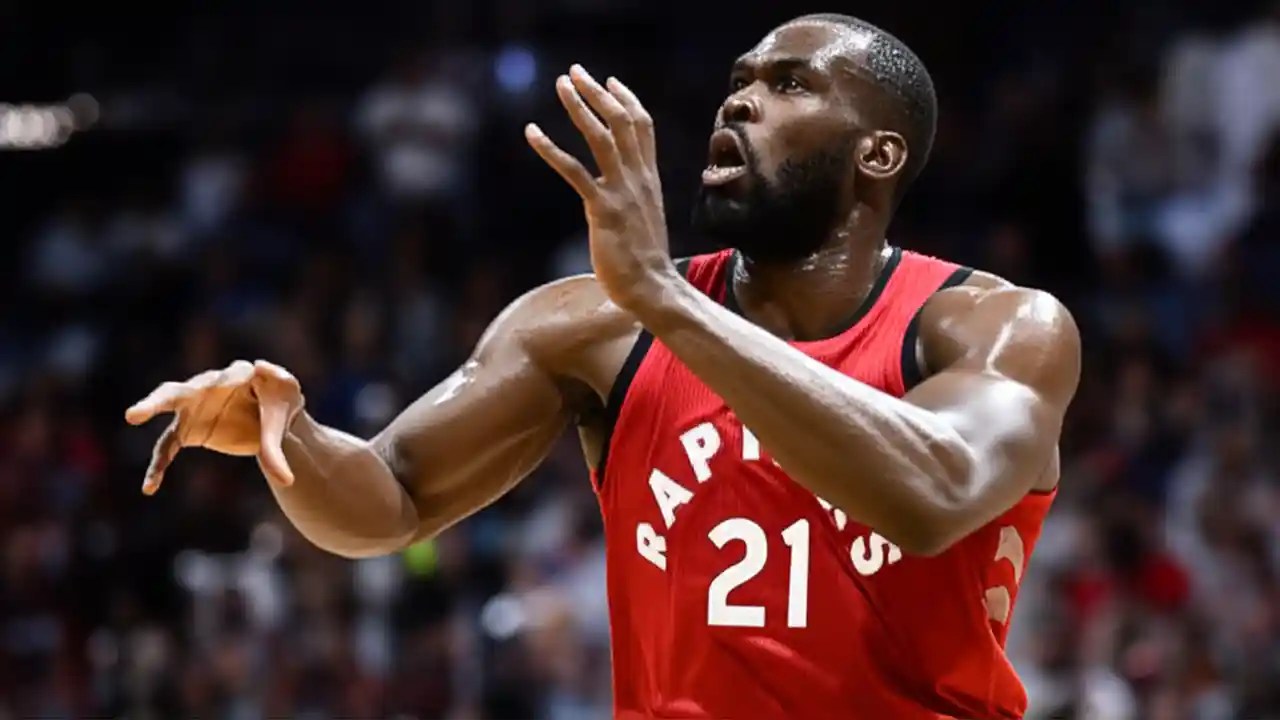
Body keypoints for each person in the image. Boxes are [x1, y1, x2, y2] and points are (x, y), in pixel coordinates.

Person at [125, 13, 1080, 720]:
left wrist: (665, 299)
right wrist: (287, 437)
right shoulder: (590, 327)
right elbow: (388, 502)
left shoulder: (995, 328)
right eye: (739, 77)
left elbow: (934, 490)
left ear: (879, 153)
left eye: (791, 84)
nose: (741, 96)